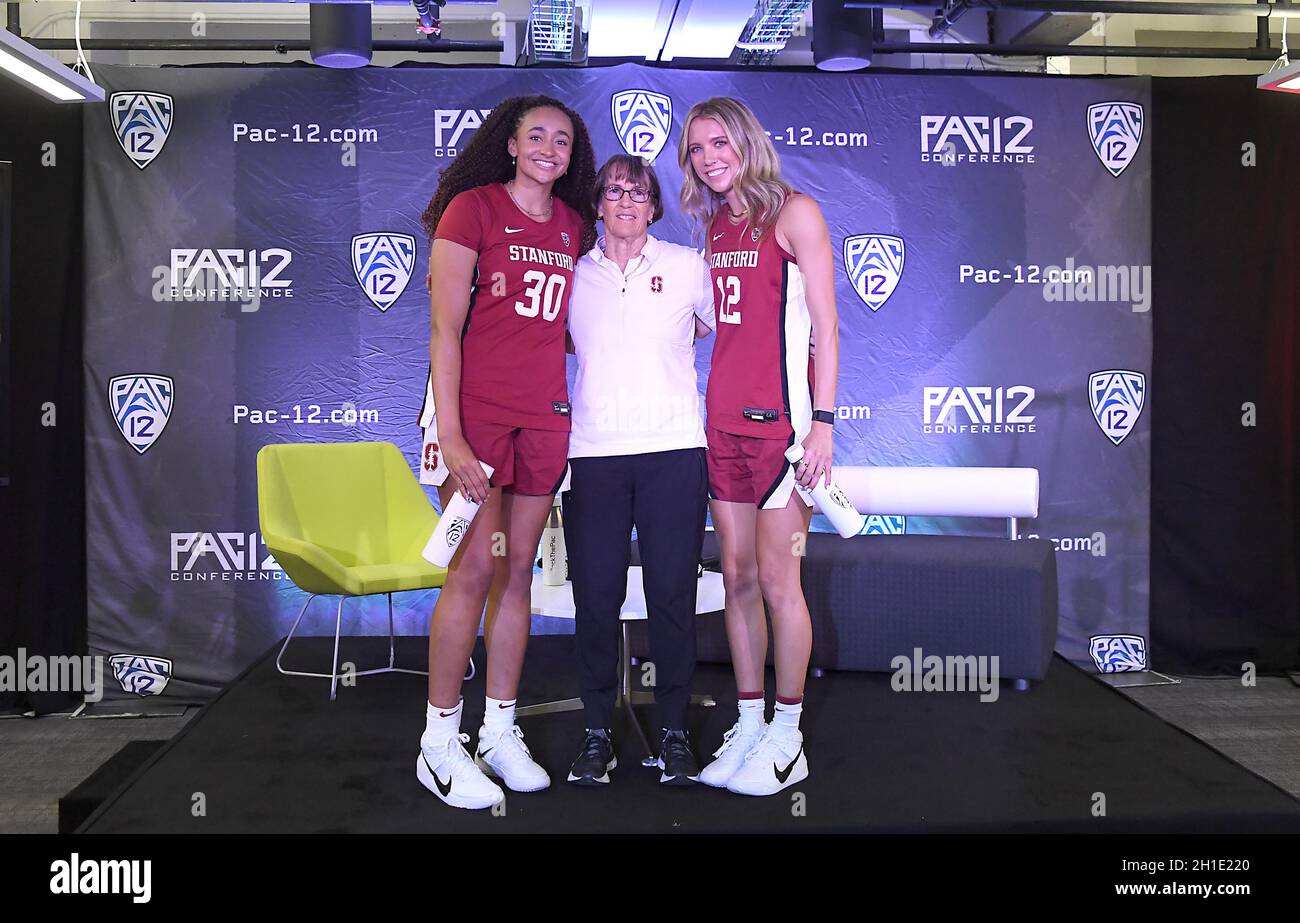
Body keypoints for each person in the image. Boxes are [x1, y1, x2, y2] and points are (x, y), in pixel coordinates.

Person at [414, 95, 596, 810]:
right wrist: (452, 434)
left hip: (543, 418)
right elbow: (443, 331)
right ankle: (438, 742)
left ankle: (497, 729)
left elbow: (571, 324)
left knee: (518, 571)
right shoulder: (474, 209)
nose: (551, 147)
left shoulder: (574, 227)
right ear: (513, 146)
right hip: (474, 418)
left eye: (564, 140)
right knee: (471, 568)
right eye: (538, 136)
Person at [678, 97, 841, 796]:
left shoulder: (796, 212)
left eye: (720, 142)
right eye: (696, 149)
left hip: (783, 431)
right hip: (721, 429)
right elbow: (716, 326)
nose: (710, 157)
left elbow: (828, 330)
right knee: (737, 579)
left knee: (780, 582)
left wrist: (824, 424)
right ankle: (749, 721)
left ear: (747, 141)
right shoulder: (715, 225)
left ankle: (788, 732)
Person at [562, 154, 715, 786]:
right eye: (615, 192)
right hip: (593, 454)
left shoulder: (687, 267)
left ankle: (674, 733)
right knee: (595, 599)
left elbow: (710, 329)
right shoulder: (571, 275)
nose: (627, 201)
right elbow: (566, 342)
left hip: (675, 452)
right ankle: (596, 733)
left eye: (640, 193)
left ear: (655, 207)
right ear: (598, 204)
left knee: (671, 596)